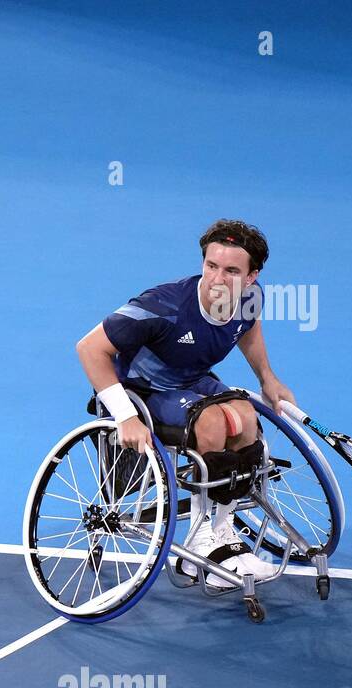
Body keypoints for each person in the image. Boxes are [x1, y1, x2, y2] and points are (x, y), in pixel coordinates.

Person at [75, 219, 294, 580]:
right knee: (210, 422)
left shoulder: (250, 298)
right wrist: (126, 416)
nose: (218, 279)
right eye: (212, 266)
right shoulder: (163, 306)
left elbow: (247, 325)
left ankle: (223, 535)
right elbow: (89, 348)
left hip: (192, 381)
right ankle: (197, 542)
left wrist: (267, 378)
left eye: (232, 271)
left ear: (252, 277)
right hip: (145, 390)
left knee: (245, 419)